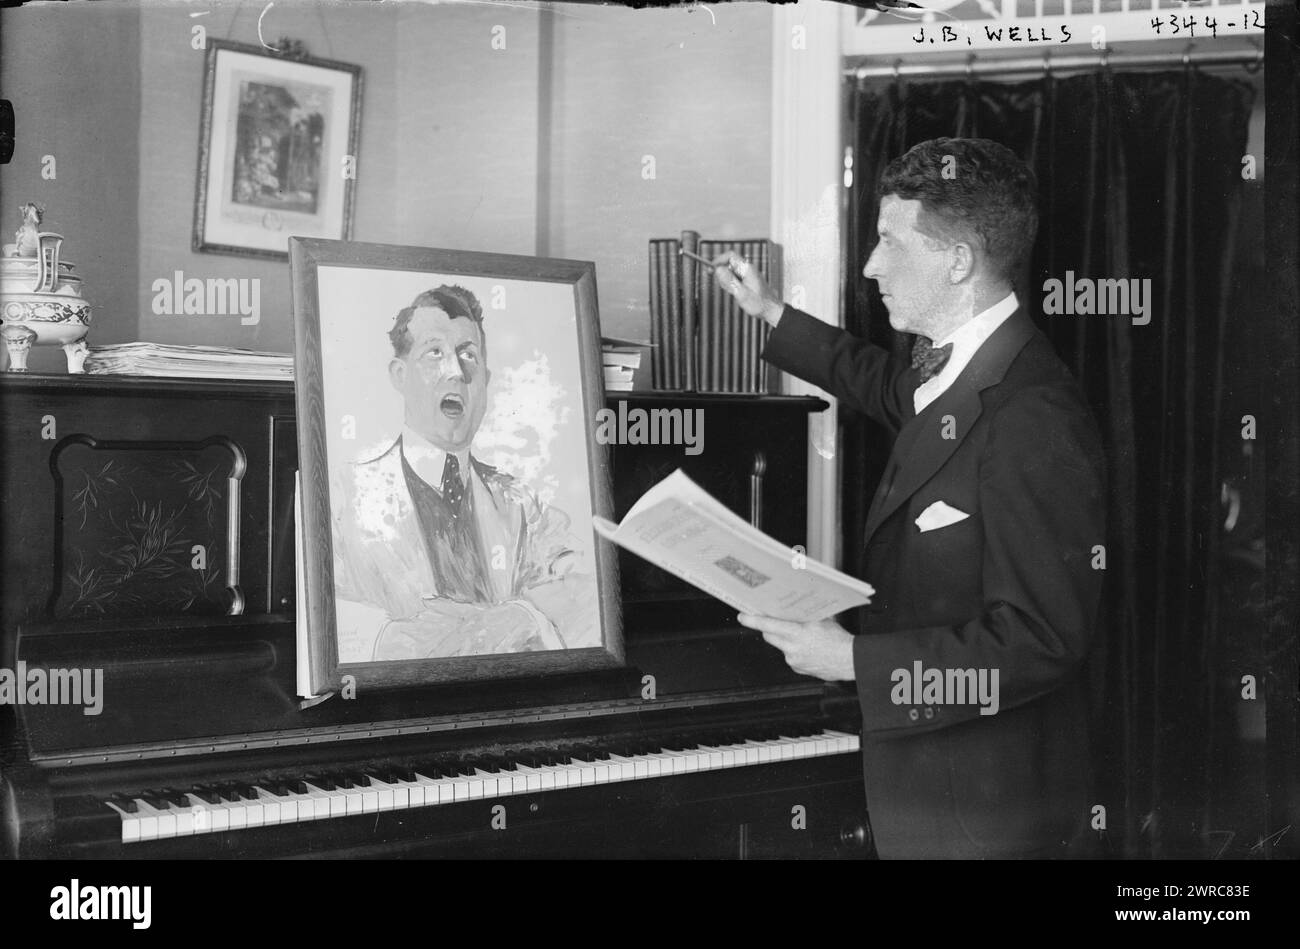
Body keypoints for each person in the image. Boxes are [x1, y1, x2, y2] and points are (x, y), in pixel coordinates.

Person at [716, 138, 1107, 859]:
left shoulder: (1033, 414)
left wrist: (850, 661)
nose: (870, 265)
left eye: (891, 242)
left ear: (957, 262)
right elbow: (879, 381)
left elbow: (1044, 640)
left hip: (985, 823)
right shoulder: (963, 371)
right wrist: (771, 313)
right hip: (933, 795)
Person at [331, 285, 599, 662]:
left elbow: (588, 600)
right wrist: (395, 637)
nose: (456, 371)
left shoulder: (521, 503)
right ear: (399, 374)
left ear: (486, 381)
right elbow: (327, 615)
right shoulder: (342, 497)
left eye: (468, 354)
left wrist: (525, 618)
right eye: (434, 352)